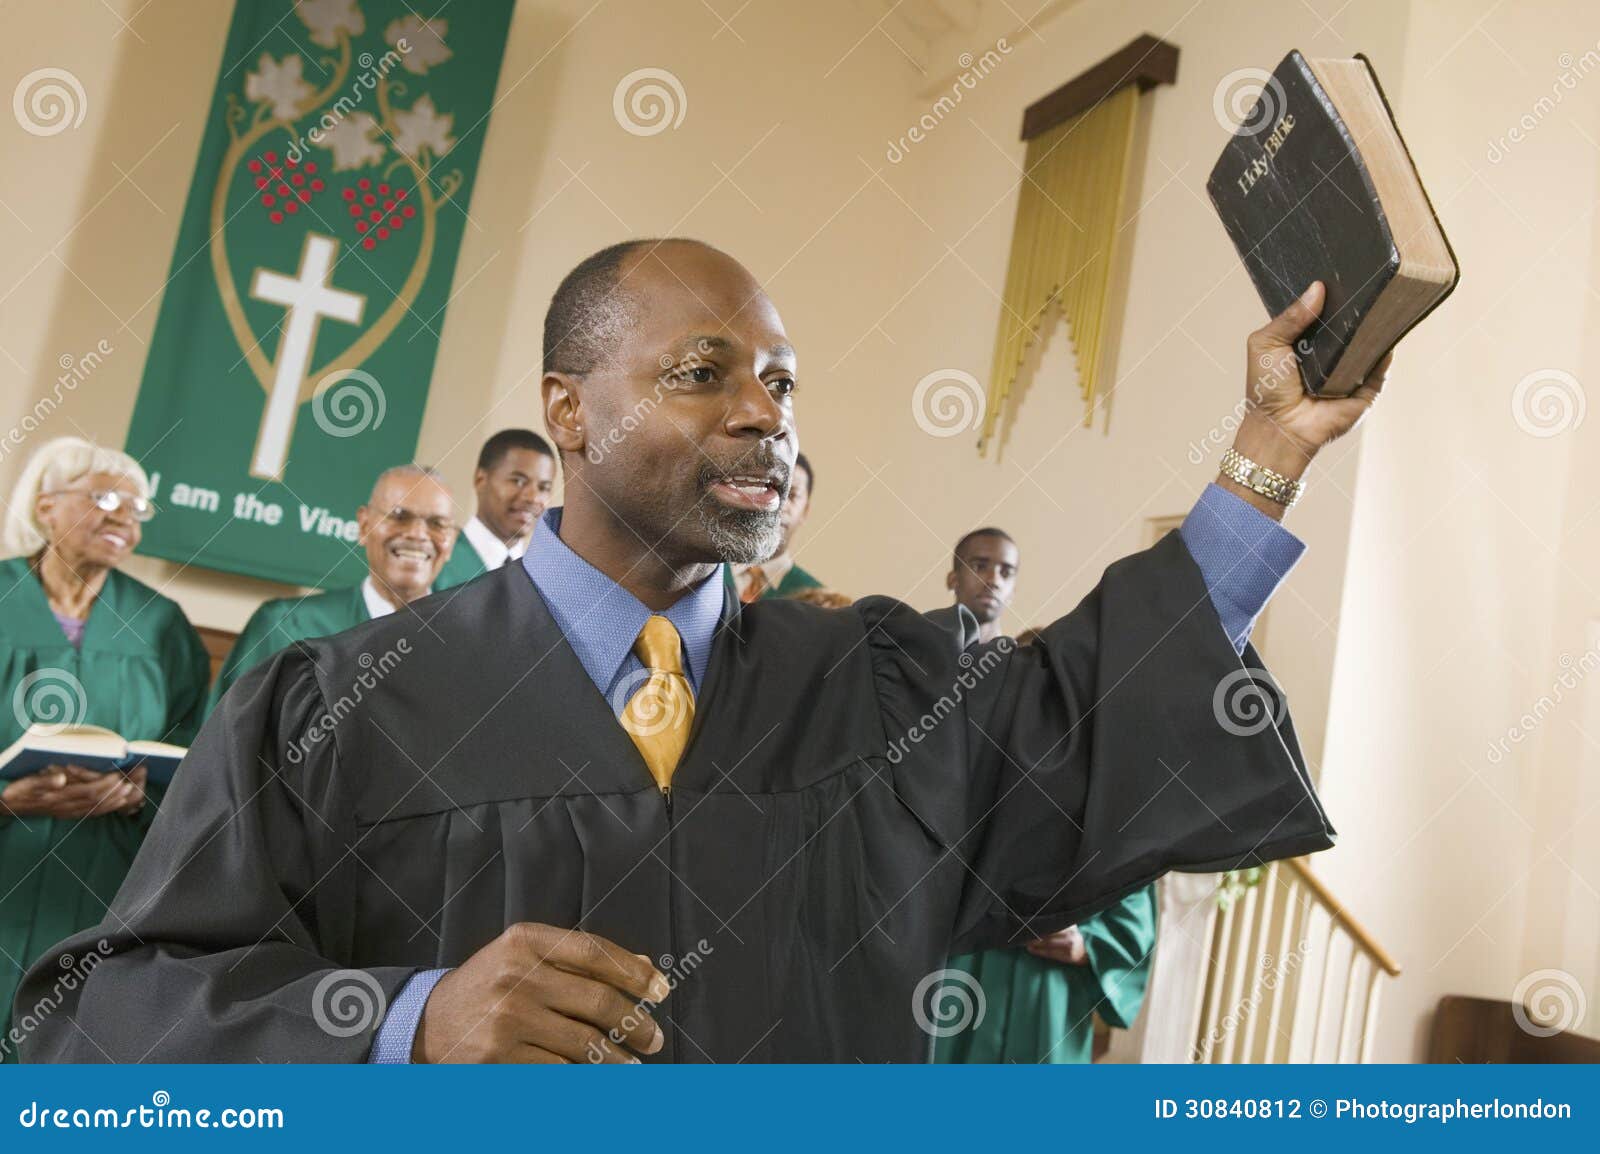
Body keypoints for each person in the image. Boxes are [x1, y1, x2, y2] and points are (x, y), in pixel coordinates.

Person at [19, 239, 1388, 1064]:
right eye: (704, 373)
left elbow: (1091, 711)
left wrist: (1269, 452)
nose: (764, 417)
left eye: (782, 384)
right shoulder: (337, 698)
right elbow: (109, 1019)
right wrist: (400, 1024)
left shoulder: (878, 686)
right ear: (569, 410)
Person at [0, 437, 208, 1060]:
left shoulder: (159, 623)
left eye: (139, 506)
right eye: (106, 497)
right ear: (46, 507)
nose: (125, 515)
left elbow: (192, 752)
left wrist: (137, 791)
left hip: (101, 887)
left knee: (63, 1056)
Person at [934, 541, 1157, 1064]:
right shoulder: (966, 780)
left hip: (1045, 998)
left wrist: (1086, 944)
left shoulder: (1110, 805)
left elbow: (1133, 914)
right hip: (958, 981)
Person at [207, 466, 458, 709]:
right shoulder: (288, 627)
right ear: (364, 525)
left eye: (437, 524)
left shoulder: (460, 645)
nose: (418, 534)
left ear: (452, 541)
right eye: (399, 516)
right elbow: (227, 739)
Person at [435, 430, 557, 589]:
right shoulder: (437, 561)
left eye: (543, 487)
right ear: (480, 480)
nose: (533, 498)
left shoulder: (544, 579)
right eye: (518, 481)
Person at [731, 451, 822, 601]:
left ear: (805, 511)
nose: (779, 505)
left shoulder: (819, 602)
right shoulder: (704, 575)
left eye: (792, 495)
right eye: (770, 489)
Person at [945, 527, 1019, 644]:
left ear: (1013, 592)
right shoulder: (917, 651)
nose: (994, 581)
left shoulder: (1022, 660)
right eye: (980, 567)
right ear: (953, 580)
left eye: (1005, 573)